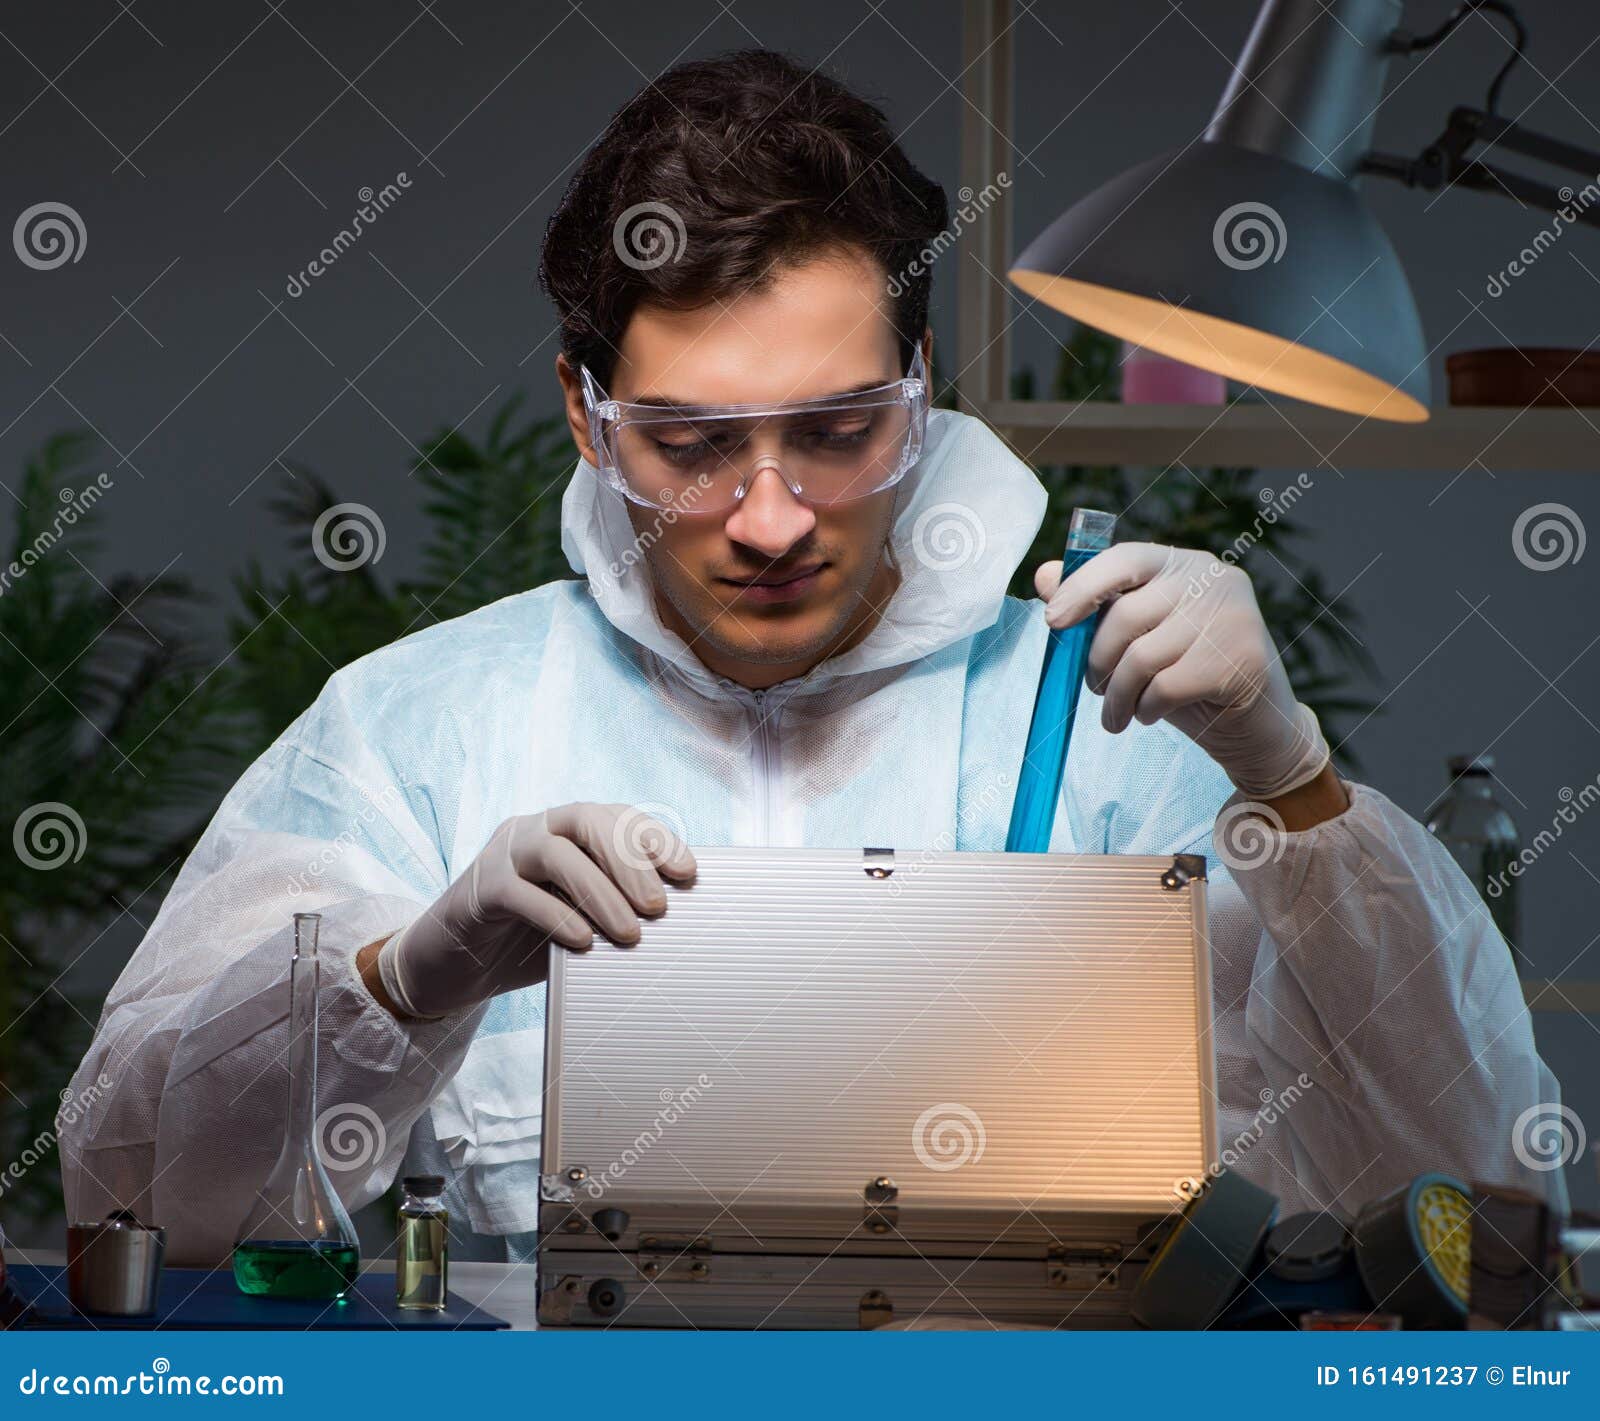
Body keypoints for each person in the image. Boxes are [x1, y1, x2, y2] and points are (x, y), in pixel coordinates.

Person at [62, 49, 1558, 1266]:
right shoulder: (418, 730)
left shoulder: (1112, 722)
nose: (771, 518)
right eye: (694, 444)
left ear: (918, 387)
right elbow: (142, 1212)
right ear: (588, 416)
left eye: (838, 431)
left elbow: (1481, 1207)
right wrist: (406, 975)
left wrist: (1288, 777)